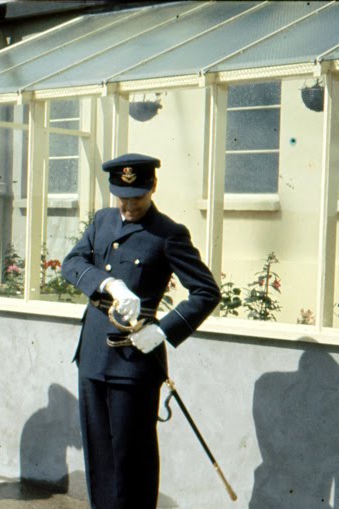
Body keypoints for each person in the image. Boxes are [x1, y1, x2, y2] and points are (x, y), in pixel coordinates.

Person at [62, 153, 221, 508]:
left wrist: (162, 332)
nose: (129, 205)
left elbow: (207, 292)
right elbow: (72, 263)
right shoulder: (102, 221)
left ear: (152, 188)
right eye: (123, 197)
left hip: (134, 359)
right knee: (99, 456)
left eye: (137, 197)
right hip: (92, 356)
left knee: (132, 459)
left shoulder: (167, 234)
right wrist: (109, 285)